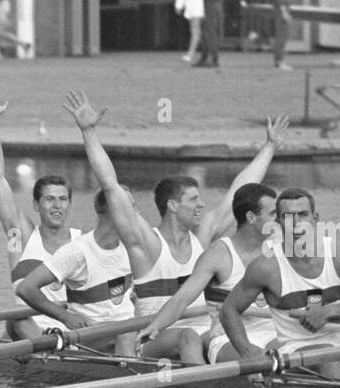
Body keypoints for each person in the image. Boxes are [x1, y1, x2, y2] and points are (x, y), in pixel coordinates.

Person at [61, 89, 286, 364]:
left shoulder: (201, 240)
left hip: (207, 334)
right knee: (187, 336)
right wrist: (89, 132)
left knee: (247, 338)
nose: (202, 206)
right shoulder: (147, 245)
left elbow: (239, 194)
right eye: (194, 200)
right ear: (172, 206)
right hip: (155, 337)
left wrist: (270, 147)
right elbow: (111, 186)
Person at [219, 187, 340, 380]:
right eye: (288, 216)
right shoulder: (266, 267)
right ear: (277, 223)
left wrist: (328, 312)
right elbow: (229, 311)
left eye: (303, 215)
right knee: (329, 357)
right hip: (297, 350)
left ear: (315, 218)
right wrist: (248, 353)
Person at [137, 182, 280, 363]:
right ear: (251, 217)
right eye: (273, 214)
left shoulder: (278, 249)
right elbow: (182, 299)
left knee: (305, 349)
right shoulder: (218, 254)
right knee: (264, 360)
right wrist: (156, 326)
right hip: (228, 339)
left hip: (271, 334)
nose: (279, 220)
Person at [0, 91, 80, 340]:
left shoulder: (82, 241)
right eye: (49, 199)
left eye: (62, 199)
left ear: (69, 204)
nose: (57, 206)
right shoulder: (20, 234)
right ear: (36, 205)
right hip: (28, 331)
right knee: (18, 315)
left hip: (72, 335)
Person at [15, 187, 138, 356]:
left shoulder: (133, 247)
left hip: (127, 332)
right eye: (132, 206)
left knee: (130, 330)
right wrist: (66, 317)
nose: (137, 212)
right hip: (91, 337)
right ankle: (132, 375)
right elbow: (25, 288)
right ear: (115, 209)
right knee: (125, 332)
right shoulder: (76, 252)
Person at [271, 0, 296, 70]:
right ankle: (279, 61)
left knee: (284, 34)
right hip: (282, 9)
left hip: (285, 7)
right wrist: (283, 11)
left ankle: (279, 60)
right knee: (281, 35)